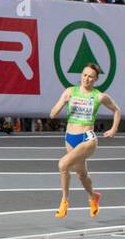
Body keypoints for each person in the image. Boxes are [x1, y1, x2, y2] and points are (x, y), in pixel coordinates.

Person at [48, 62, 120, 218]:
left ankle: (64, 202)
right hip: (70, 137)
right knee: (81, 174)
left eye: (91, 77)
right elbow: (52, 114)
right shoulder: (70, 91)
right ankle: (93, 196)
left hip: (88, 137)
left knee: (63, 165)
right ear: (81, 75)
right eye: (85, 75)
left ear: (95, 80)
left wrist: (113, 129)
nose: (87, 79)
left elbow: (117, 110)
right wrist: (63, 101)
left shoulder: (99, 96)